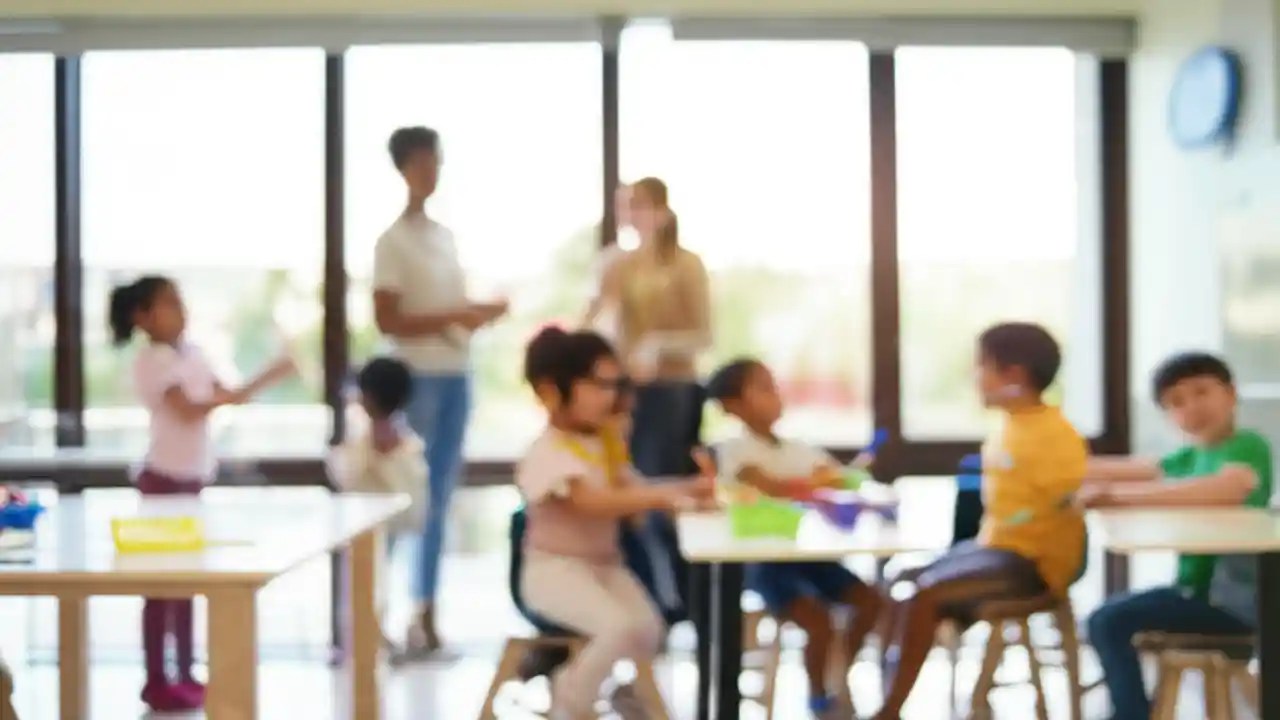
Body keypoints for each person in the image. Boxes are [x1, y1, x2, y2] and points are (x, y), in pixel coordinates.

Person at [873, 323, 1087, 720]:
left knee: (925, 594)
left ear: (1015, 376)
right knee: (900, 576)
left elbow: (1066, 500)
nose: (975, 378)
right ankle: (885, 694)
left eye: (982, 367)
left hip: (1032, 562)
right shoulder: (1010, 427)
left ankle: (888, 711)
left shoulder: (1054, 435)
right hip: (995, 547)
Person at [108, 275, 294, 712]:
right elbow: (188, 409)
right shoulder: (152, 360)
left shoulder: (192, 354)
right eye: (169, 303)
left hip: (190, 483)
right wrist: (238, 393)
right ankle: (157, 680)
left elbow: (228, 396)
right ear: (142, 316)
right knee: (159, 588)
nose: (181, 311)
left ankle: (187, 674)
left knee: (188, 586)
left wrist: (271, 373)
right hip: (162, 484)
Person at [516, 327, 713, 719]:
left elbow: (633, 492)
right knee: (619, 626)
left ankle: (625, 695)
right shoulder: (547, 450)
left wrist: (691, 490)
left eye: (613, 384)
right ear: (555, 390)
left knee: (649, 628)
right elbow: (593, 503)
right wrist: (665, 495)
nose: (609, 395)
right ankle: (569, 700)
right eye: (597, 384)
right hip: (553, 572)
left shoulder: (603, 444)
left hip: (604, 567)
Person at [371, 126, 508, 656]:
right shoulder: (392, 241)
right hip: (417, 378)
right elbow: (388, 320)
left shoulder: (443, 236)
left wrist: (477, 314)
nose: (431, 172)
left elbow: (448, 310)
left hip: (456, 374)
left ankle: (424, 617)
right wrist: (455, 314)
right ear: (403, 168)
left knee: (439, 499)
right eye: (422, 163)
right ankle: (371, 614)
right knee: (401, 499)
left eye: (436, 162)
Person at [1081, 352, 1272, 720]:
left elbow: (1227, 489)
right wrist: (1063, 465)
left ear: (1231, 395)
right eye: (1176, 402)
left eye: (1202, 392)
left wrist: (1117, 497)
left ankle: (1131, 715)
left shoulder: (1247, 445)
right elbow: (1133, 469)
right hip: (1195, 593)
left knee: (1108, 620)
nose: (1192, 406)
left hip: (1232, 605)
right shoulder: (1189, 456)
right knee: (1111, 616)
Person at [706, 358, 884, 717]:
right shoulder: (734, 448)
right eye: (763, 388)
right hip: (765, 563)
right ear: (733, 405)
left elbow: (835, 476)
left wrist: (842, 478)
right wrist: (814, 484)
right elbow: (769, 485)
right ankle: (819, 694)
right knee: (818, 621)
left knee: (871, 601)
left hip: (808, 554)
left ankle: (837, 671)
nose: (776, 396)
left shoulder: (796, 446)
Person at [592, 178, 710, 478]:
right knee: (620, 476)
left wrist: (655, 346)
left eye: (639, 205)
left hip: (671, 388)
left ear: (662, 211)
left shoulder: (686, 264)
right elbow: (596, 319)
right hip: (624, 390)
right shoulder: (617, 263)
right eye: (626, 207)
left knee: (660, 479)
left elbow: (705, 336)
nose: (631, 215)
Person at [326, 356, 428, 659]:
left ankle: (370, 636)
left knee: (374, 583)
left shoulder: (398, 442)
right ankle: (363, 637)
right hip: (363, 525)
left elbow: (346, 474)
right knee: (369, 584)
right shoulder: (387, 440)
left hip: (377, 525)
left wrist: (381, 455)